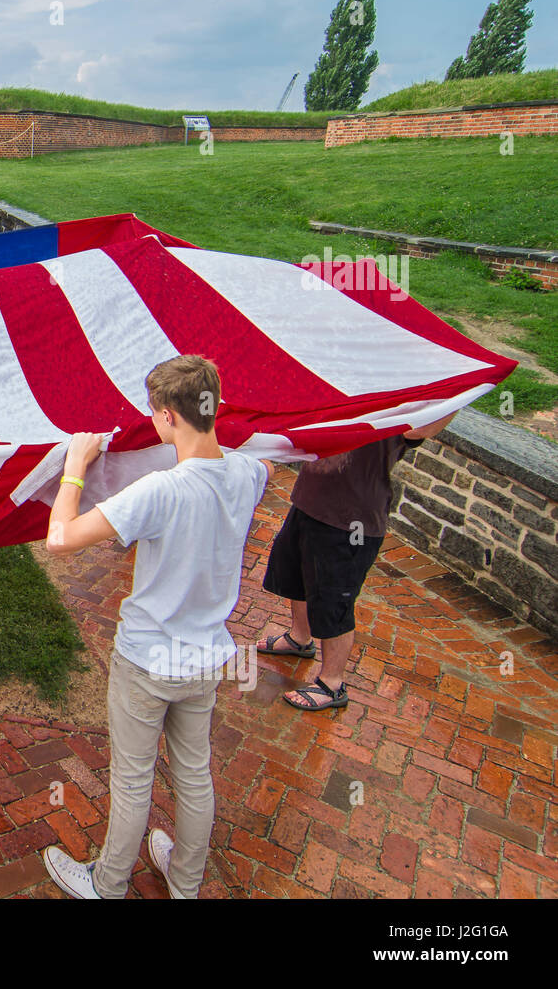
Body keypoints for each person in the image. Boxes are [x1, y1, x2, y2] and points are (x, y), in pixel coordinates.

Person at [40, 355, 272, 900]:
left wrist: (75, 465)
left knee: (133, 778)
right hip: (206, 658)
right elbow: (255, 455)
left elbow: (60, 538)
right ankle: (186, 883)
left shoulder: (160, 491)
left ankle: (108, 882)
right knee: (194, 775)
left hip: (146, 661)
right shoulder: (250, 474)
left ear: (167, 417)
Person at [257, 412, 457, 709]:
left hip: (351, 524)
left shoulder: (400, 414)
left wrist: (467, 392)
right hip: (308, 505)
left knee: (335, 602)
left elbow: (424, 427)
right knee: (295, 577)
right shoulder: (346, 395)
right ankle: (300, 639)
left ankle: (332, 684)